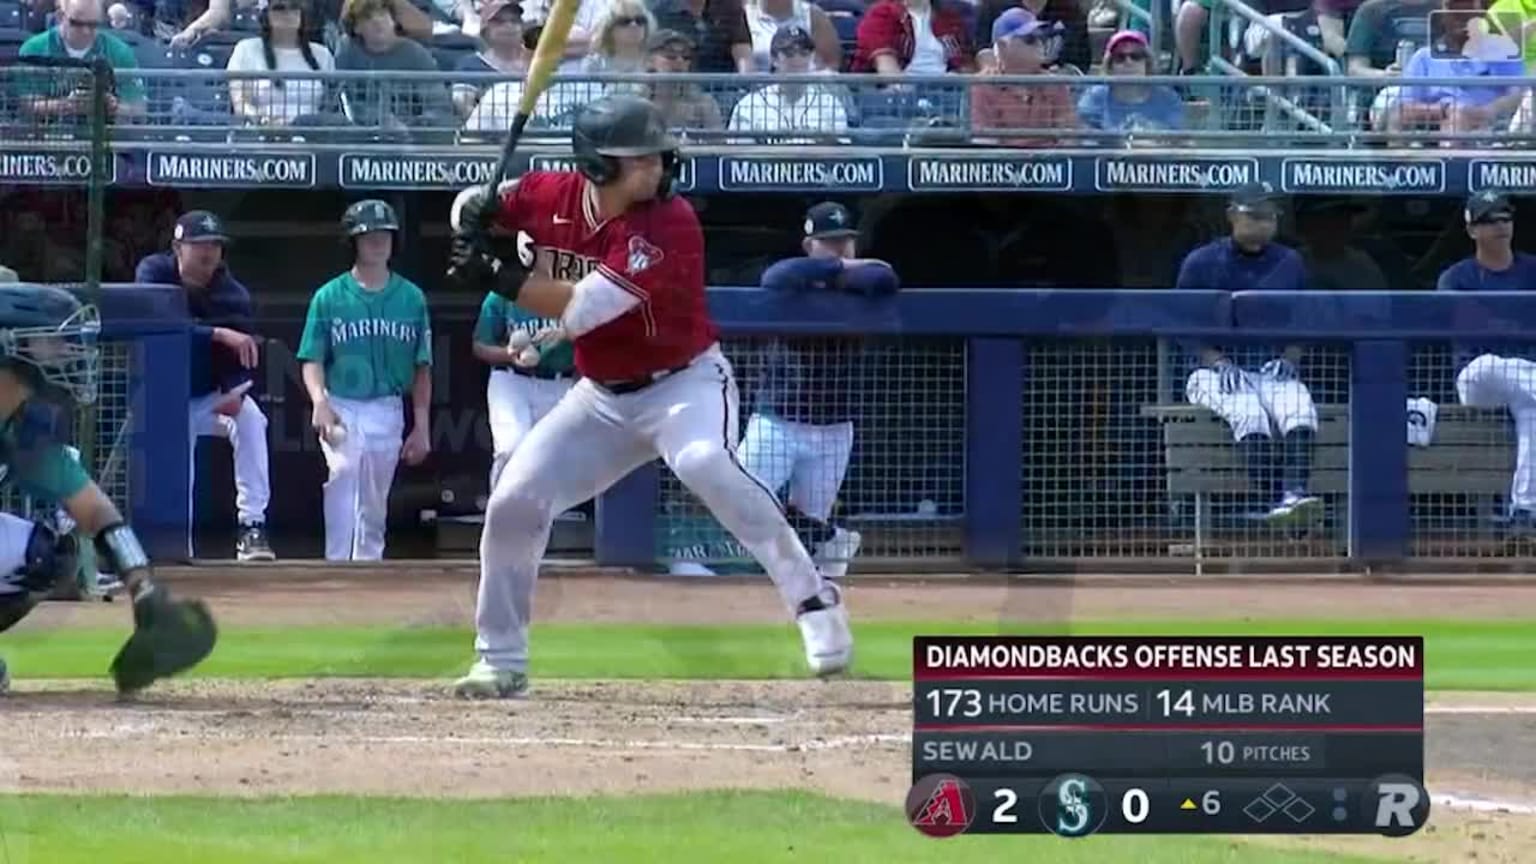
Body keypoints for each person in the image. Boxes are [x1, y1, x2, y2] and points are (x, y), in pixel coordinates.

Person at [447, 94, 854, 698]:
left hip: (684, 384)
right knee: (513, 504)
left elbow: (585, 312)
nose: (656, 169)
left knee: (703, 462)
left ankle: (814, 600)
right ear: (598, 166)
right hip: (602, 399)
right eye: (638, 160)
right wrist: (472, 212)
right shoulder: (547, 193)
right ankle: (500, 657)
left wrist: (502, 277)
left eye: (657, 156)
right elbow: (472, 206)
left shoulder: (668, 223)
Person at [0, 284, 217, 695]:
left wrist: (144, 588)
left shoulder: (24, 432)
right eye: (57, 340)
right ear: (12, 343)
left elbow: (97, 515)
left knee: (47, 556)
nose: (70, 353)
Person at [733, 202, 897, 575]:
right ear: (809, 245)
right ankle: (827, 543)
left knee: (814, 532)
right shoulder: (793, 276)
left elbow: (884, 278)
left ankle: (818, 605)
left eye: (846, 242)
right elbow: (776, 277)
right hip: (779, 418)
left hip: (835, 425)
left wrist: (835, 273)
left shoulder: (865, 278)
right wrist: (837, 270)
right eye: (829, 242)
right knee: (738, 497)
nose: (841, 248)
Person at [134, 210, 274, 562]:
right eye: (198, 244)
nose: (208, 253)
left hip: (207, 397)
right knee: (176, 444)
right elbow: (157, 330)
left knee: (251, 420)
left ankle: (252, 527)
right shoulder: (153, 273)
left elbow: (241, 357)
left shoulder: (232, 293)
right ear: (178, 247)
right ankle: (177, 538)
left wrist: (232, 389)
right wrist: (215, 333)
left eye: (214, 245)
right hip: (161, 397)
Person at [296, 200, 433, 562]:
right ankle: (336, 562)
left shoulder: (412, 298)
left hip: (387, 405)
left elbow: (422, 367)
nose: (377, 241)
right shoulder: (328, 296)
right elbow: (311, 358)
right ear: (352, 242)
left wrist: (421, 428)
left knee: (374, 495)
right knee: (343, 471)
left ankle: (369, 568)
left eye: (384, 234)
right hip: (341, 403)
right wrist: (320, 401)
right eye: (368, 235)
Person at [1176, 182, 1319, 523]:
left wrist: (1290, 357)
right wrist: (1216, 360)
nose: (1263, 224)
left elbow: (1307, 321)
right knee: (1249, 413)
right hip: (1211, 371)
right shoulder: (1201, 261)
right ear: (1231, 216)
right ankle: (1276, 502)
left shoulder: (1289, 261)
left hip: (1270, 367)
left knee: (1299, 409)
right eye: (1254, 215)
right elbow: (1180, 324)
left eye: (1269, 216)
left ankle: (1293, 494)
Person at [1438, 192, 1536, 530]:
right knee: (1496, 362)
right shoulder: (1456, 278)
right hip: (1477, 375)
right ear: (1472, 230)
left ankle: (1524, 511)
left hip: (1529, 380)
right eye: (1490, 220)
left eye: (1505, 218)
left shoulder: (1532, 269)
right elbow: (1477, 329)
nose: (1500, 226)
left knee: (1533, 413)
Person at [472, 289, 576, 495]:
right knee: (510, 448)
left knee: (548, 459)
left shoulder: (572, 288)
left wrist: (566, 331)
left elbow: (596, 331)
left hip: (559, 380)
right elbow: (480, 345)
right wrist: (509, 355)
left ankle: (540, 525)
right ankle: (502, 519)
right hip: (511, 379)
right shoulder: (504, 291)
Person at [16, 0, 147, 121]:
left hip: (105, 137)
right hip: (49, 138)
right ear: (60, 16)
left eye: (93, 24)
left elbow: (138, 108)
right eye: (77, 23)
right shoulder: (33, 49)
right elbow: (24, 104)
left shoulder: (120, 52)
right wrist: (67, 106)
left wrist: (110, 106)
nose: (86, 31)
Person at [970, 9, 1077, 147]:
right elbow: (985, 146)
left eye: (1041, 37)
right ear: (1003, 46)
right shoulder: (983, 87)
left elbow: (1069, 137)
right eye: (1030, 39)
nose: (1039, 43)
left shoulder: (1055, 84)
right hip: (1004, 165)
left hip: (1051, 164)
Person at [727, 25, 849, 143]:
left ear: (812, 57)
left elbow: (842, 153)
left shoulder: (829, 104)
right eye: (789, 53)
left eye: (804, 53)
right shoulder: (750, 105)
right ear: (774, 59)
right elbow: (735, 155)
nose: (797, 60)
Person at [225, 0, 337, 128]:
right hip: (260, 136)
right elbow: (240, 102)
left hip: (311, 137)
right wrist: (261, 119)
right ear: (266, 14)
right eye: (279, 8)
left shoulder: (322, 54)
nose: (288, 13)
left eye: (294, 7)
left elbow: (330, 105)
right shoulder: (246, 49)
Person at [1076, 30, 1184, 140]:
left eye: (1136, 56)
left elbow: (1175, 140)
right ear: (1110, 66)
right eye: (1120, 57)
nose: (1128, 62)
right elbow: (1086, 137)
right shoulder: (1095, 97)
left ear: (1147, 63)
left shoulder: (1167, 98)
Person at [645, 29, 726, 134]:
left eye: (686, 56)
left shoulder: (704, 102)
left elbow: (718, 142)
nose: (680, 61)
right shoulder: (637, 99)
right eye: (671, 56)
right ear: (650, 61)